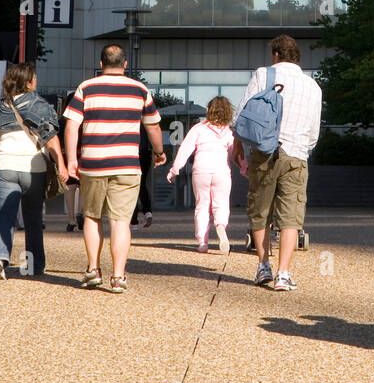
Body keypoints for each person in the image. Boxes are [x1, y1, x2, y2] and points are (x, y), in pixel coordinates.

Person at [64, 44, 166, 293]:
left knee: (92, 216)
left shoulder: (86, 88)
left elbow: (71, 126)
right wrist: (159, 152)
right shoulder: (140, 89)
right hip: (127, 165)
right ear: (125, 64)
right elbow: (153, 126)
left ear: (101, 65)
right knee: (120, 221)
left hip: (93, 163)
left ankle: (92, 270)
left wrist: (71, 160)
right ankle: (118, 276)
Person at [234, 35, 322, 291]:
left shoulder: (263, 75)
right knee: (291, 216)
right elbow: (314, 133)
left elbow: (242, 116)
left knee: (260, 210)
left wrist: (239, 145)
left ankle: (263, 266)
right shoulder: (313, 86)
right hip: (296, 155)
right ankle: (283, 273)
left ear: (275, 55)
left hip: (264, 152)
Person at [0, 63, 67, 279]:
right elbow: (52, 140)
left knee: (5, 216)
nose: (36, 80)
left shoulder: (0, 106)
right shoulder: (40, 105)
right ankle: (34, 266)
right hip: (32, 168)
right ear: (28, 82)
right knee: (33, 218)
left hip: (5, 167)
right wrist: (62, 165)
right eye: (34, 77)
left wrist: (3, 132)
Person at [166, 96, 247, 253]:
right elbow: (237, 154)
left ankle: (202, 243)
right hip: (221, 171)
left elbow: (185, 150)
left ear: (209, 110)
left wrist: (174, 170)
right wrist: (245, 169)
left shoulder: (198, 128)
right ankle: (221, 226)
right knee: (221, 203)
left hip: (201, 170)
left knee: (202, 206)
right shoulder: (229, 132)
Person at [62, 91, 83, 232]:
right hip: (83, 153)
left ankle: (71, 219)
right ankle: (80, 213)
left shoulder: (62, 120)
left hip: (67, 154)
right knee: (83, 187)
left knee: (70, 188)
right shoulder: (84, 120)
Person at [131, 125, 154, 230]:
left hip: (132, 154)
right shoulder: (144, 120)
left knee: (132, 186)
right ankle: (147, 211)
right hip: (145, 153)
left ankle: (134, 221)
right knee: (142, 183)